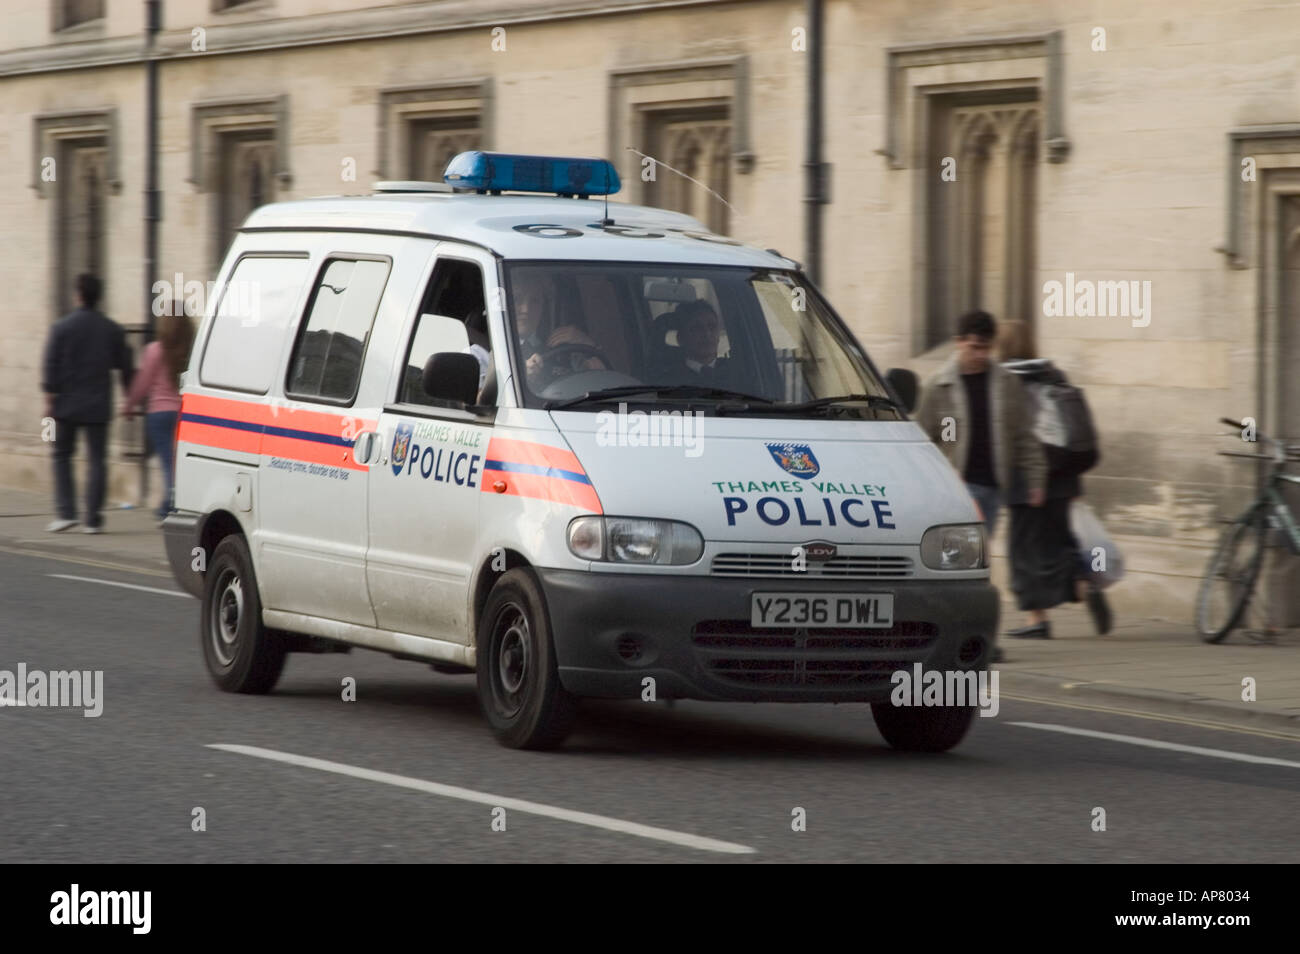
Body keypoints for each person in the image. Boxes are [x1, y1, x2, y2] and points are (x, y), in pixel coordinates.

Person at [1000, 320, 1112, 638]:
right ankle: (1082, 582)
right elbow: (1071, 429)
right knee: (1060, 543)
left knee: (1024, 550)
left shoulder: (1005, 381)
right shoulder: (1054, 374)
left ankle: (1037, 620)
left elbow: (1006, 435)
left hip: (1026, 479)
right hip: (1063, 475)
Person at [915, 310, 1046, 538]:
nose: (980, 355)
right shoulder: (938, 387)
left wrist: (1036, 479)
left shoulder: (1007, 383)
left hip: (993, 487)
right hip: (956, 488)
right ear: (959, 342)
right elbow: (922, 441)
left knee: (981, 553)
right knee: (957, 553)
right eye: (974, 347)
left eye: (986, 348)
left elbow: (1023, 435)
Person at [42, 274, 134, 534]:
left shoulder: (61, 328)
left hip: (67, 404)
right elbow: (125, 367)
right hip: (97, 405)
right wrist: (129, 399)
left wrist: (49, 400)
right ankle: (92, 519)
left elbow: (51, 366)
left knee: (61, 456)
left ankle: (66, 513)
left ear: (78, 295)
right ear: (99, 296)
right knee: (97, 460)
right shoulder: (111, 329)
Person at [124, 304, 195, 523]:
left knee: (167, 462)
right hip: (184, 413)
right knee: (178, 462)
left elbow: (143, 382)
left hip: (159, 415)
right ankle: (168, 505)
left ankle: (170, 507)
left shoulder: (155, 350)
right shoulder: (192, 351)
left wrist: (129, 405)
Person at [512, 274, 605, 388]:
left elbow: (604, 385)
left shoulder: (562, 346)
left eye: (535, 301)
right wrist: (519, 375)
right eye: (517, 299)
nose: (526, 309)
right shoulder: (496, 349)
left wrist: (587, 344)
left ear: (543, 307)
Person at [660, 300, 733, 386]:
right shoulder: (669, 381)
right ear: (681, 338)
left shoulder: (736, 371)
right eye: (697, 328)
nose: (707, 334)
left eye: (712, 326)